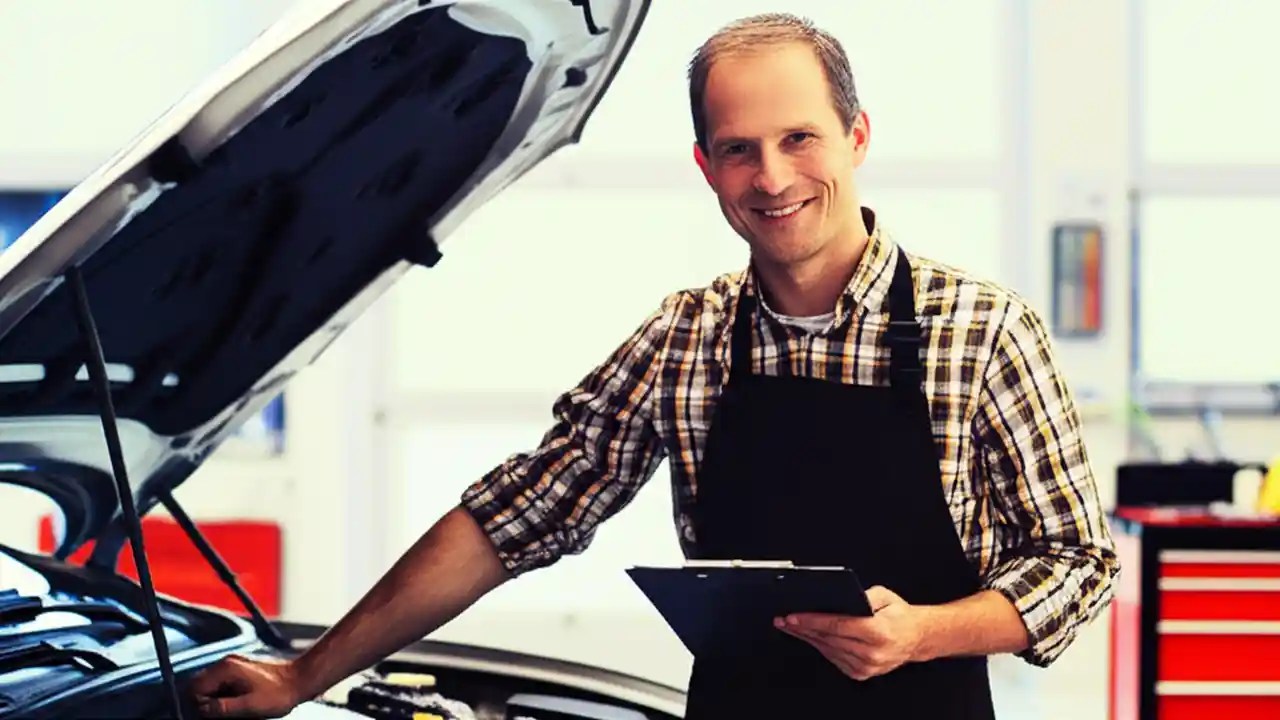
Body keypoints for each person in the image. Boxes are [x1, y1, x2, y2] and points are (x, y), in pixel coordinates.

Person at [191, 12, 1119, 719]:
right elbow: (512, 520)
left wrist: (923, 632)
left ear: (856, 137)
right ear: (706, 166)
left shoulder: (983, 330)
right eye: (738, 150)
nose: (773, 176)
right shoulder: (687, 338)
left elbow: (1080, 564)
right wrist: (304, 676)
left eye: (799, 138)